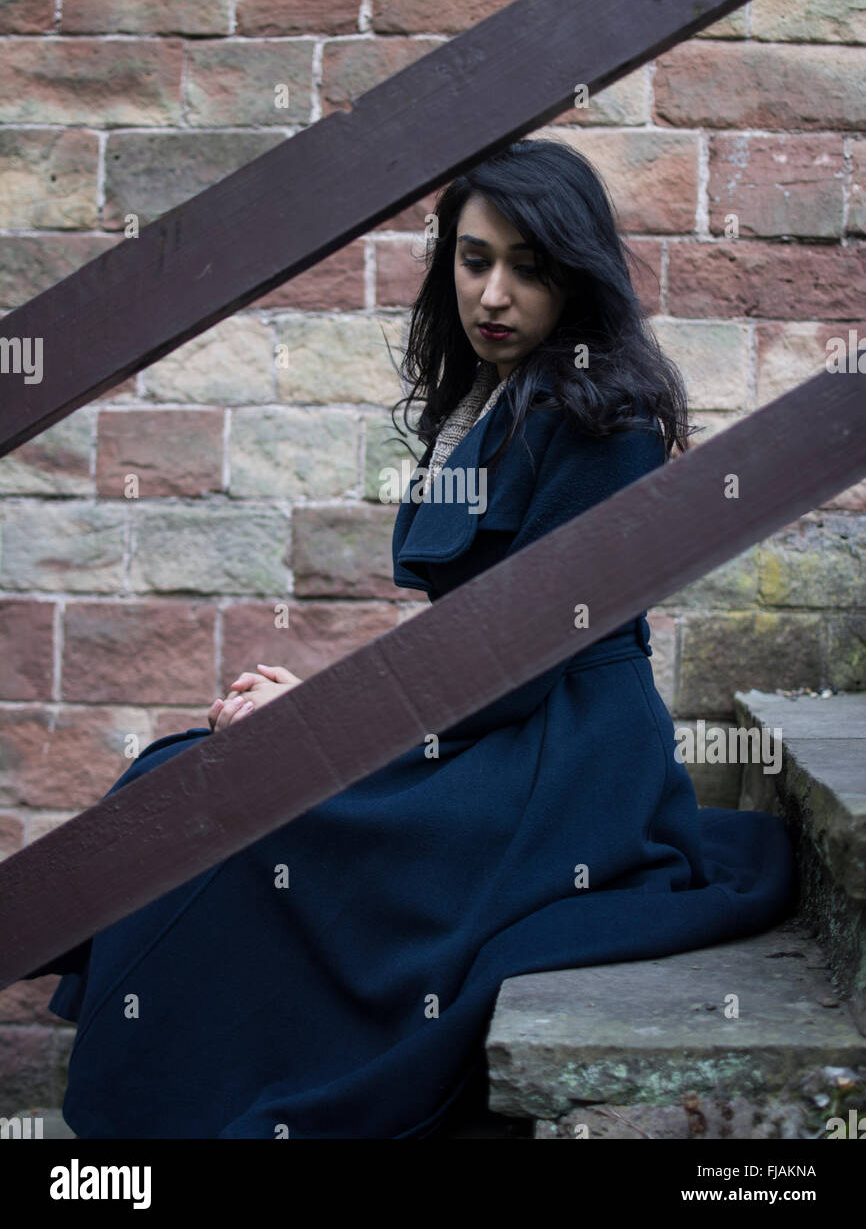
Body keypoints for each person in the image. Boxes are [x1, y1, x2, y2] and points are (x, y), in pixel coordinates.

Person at [24, 136, 796, 1139]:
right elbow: (468, 644)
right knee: (182, 775)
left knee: (241, 808)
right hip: (483, 727)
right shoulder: (478, 401)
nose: (494, 293)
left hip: (560, 763)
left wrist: (319, 719)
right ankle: (150, 1104)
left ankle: (185, 1111)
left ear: (575, 275)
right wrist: (317, 705)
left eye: (528, 266)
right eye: (474, 260)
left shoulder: (611, 417)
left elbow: (517, 664)